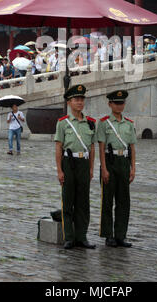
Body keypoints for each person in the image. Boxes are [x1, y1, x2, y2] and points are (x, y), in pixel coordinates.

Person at [54, 84, 96, 250]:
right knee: (68, 200)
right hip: (68, 163)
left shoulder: (90, 123)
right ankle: (69, 237)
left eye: (81, 99)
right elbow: (58, 147)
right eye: (76, 99)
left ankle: (82, 236)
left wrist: (92, 168)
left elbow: (92, 148)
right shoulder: (63, 123)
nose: (79, 102)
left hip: (83, 163)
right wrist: (59, 170)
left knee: (83, 202)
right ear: (69, 102)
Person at [97, 90, 136, 248]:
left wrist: (133, 168)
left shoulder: (129, 123)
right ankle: (108, 235)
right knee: (107, 200)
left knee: (123, 201)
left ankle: (121, 235)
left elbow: (132, 147)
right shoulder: (104, 123)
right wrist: (104, 169)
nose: (120, 106)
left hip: (123, 162)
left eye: (122, 103)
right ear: (110, 104)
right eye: (116, 103)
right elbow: (101, 148)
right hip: (110, 161)